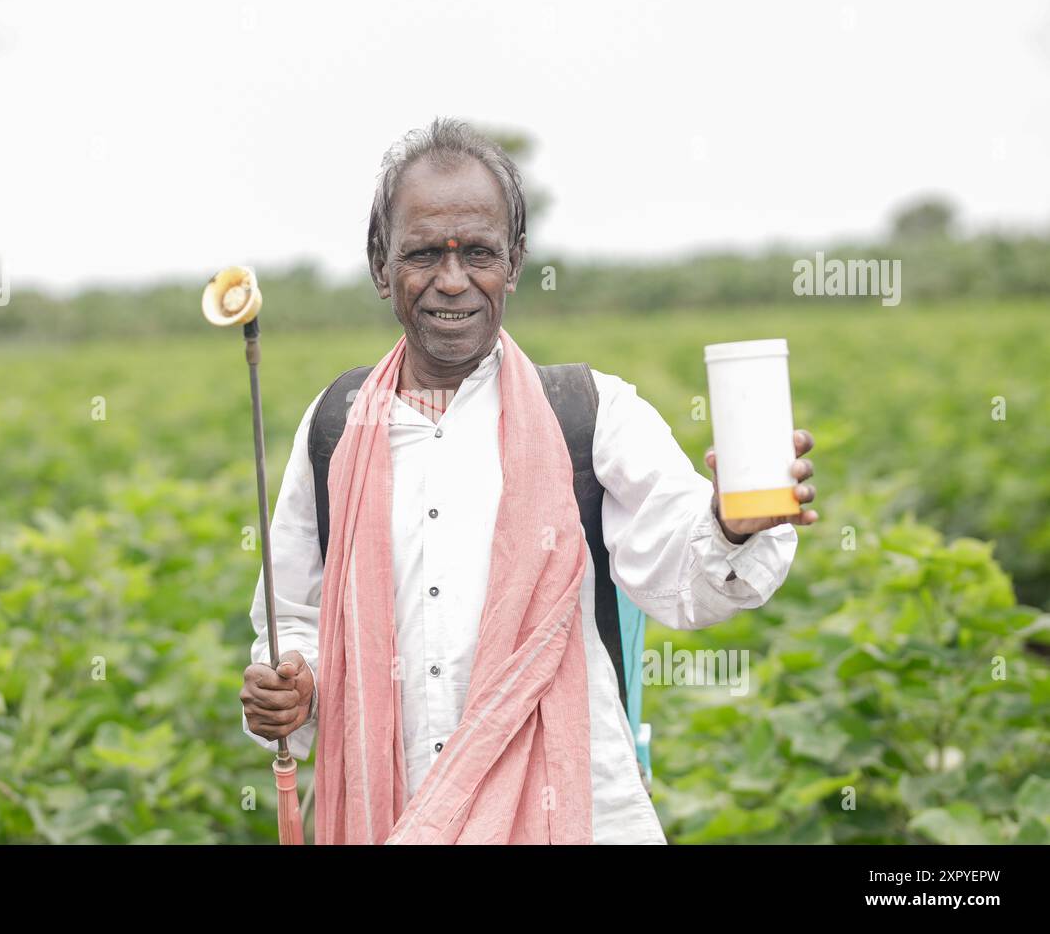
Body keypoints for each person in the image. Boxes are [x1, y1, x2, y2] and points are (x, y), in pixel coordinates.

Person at [240, 118, 817, 844]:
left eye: (478, 252)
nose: (453, 281)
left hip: (574, 816)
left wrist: (735, 522)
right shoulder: (337, 427)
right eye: (423, 254)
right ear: (381, 266)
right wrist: (293, 681)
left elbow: (688, 576)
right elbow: (293, 616)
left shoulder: (588, 412)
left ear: (513, 264)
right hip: (394, 817)